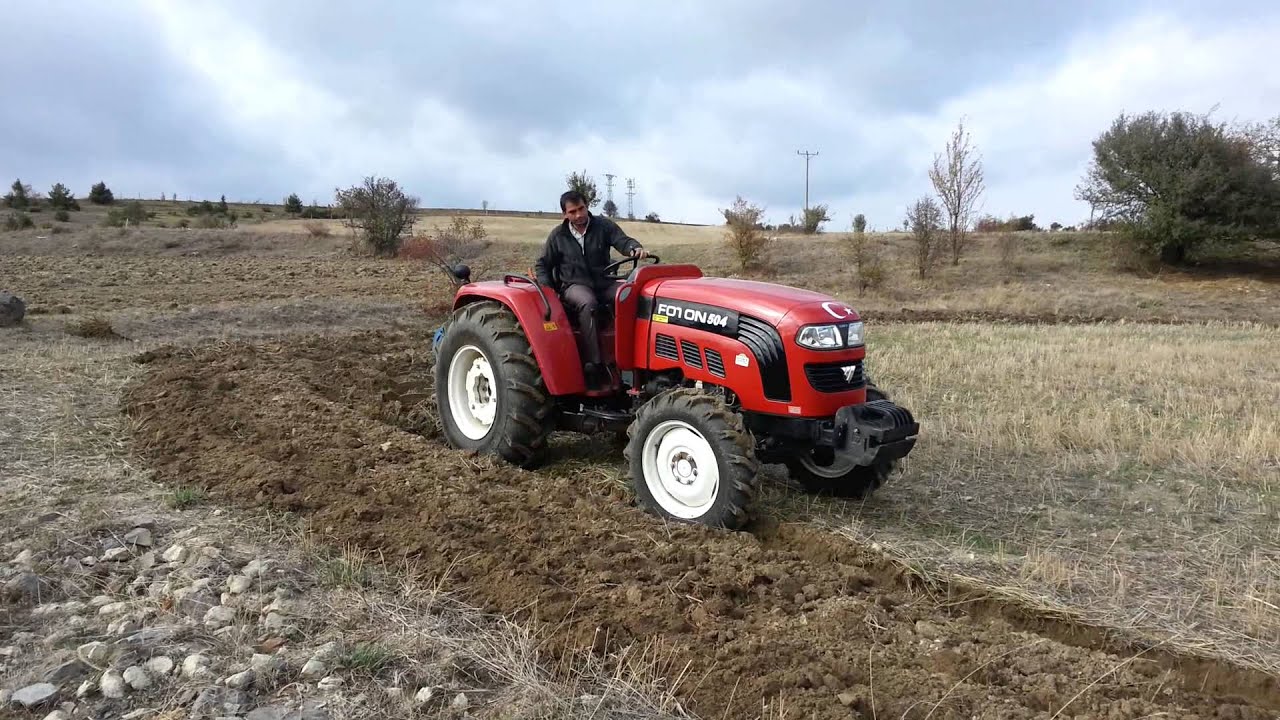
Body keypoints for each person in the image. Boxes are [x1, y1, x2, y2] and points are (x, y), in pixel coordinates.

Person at [535, 190, 648, 387]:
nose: (578, 215)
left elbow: (622, 240)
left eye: (581, 209)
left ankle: (634, 356)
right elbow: (542, 265)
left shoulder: (603, 226)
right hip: (574, 285)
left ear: (587, 206)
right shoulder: (558, 236)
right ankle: (594, 365)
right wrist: (548, 290)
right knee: (588, 304)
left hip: (603, 282)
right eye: (572, 212)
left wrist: (634, 248)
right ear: (565, 214)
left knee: (630, 297)